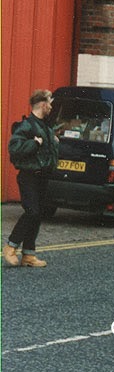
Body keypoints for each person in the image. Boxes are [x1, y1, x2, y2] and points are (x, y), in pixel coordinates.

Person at [5, 89, 60, 268]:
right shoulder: (27, 125)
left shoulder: (45, 126)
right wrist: (34, 143)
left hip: (42, 177)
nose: (51, 107)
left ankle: (29, 254)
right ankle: (11, 246)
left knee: (37, 215)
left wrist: (54, 142)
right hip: (29, 177)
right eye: (50, 103)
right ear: (43, 104)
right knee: (32, 212)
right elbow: (14, 148)